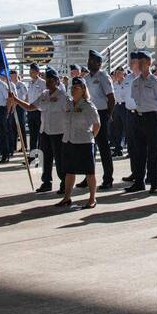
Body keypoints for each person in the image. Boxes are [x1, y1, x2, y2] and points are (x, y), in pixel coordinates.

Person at [18, 68, 69, 194]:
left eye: (51, 80)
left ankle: (64, 183)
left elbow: (70, 113)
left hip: (58, 132)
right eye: (47, 80)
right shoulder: (44, 94)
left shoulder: (63, 96)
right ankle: (46, 182)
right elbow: (31, 107)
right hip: (45, 131)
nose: (48, 83)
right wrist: (16, 99)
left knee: (60, 159)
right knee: (45, 158)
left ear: (57, 81)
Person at [124, 50, 157, 193]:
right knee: (138, 152)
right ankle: (139, 182)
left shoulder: (155, 81)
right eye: (138, 62)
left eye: (143, 62)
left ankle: (155, 183)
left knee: (154, 152)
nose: (140, 64)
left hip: (152, 118)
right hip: (138, 117)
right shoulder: (135, 82)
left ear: (149, 63)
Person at [58, 77, 102, 209]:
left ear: (83, 90)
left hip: (84, 142)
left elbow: (97, 124)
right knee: (69, 171)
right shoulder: (69, 104)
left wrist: (91, 137)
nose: (73, 90)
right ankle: (67, 198)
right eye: (72, 88)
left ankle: (92, 198)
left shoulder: (88, 106)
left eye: (76, 88)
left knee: (89, 172)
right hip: (69, 141)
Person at [84, 50, 116, 190]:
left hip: (101, 114)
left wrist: (109, 115)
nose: (89, 63)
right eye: (89, 61)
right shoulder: (86, 78)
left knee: (103, 148)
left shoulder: (103, 76)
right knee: (88, 147)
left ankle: (108, 178)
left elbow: (111, 98)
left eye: (92, 61)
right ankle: (88, 177)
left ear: (99, 63)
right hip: (89, 114)